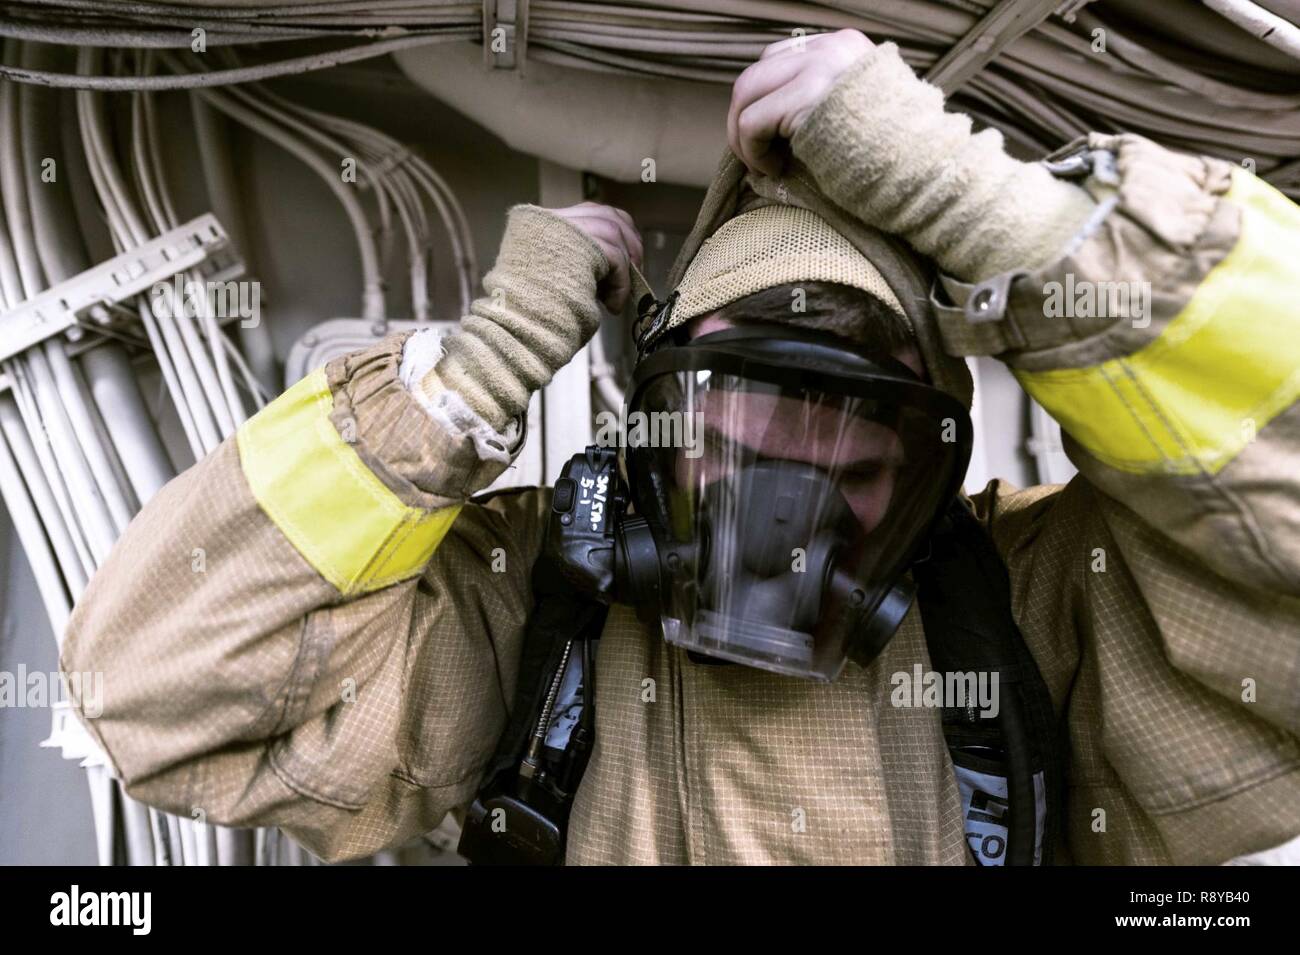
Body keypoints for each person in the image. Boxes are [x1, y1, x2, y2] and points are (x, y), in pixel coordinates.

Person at [61, 30, 1300, 865]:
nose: (783, 518)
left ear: (936, 463)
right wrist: (477, 368)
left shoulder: (1036, 603)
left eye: (856, 460)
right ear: (644, 434)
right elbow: (149, 690)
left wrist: (995, 215)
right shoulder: (545, 600)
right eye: (731, 441)